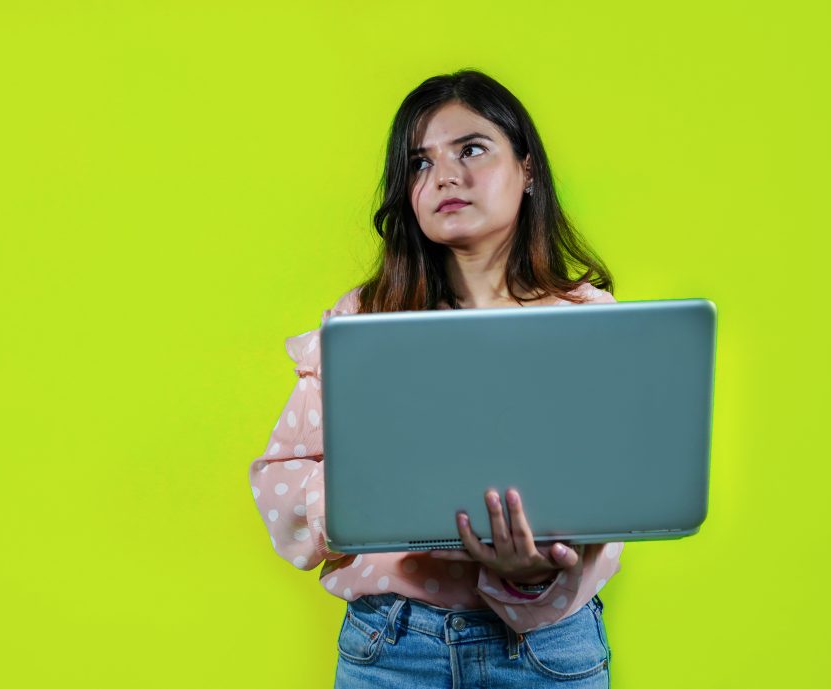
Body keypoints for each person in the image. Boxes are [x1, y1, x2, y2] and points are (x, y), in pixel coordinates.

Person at [249, 69, 623, 688]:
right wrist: (369, 499)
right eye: (419, 164)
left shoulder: (591, 325)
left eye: (471, 148)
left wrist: (533, 570)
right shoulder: (363, 324)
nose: (445, 175)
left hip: (548, 653)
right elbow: (282, 481)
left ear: (527, 169)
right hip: (391, 650)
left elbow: (621, 487)